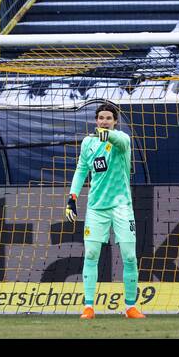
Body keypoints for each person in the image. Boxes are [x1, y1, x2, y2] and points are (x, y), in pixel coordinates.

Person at [64, 102, 144, 320]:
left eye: (109, 118)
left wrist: (107, 136)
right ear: (96, 120)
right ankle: (88, 307)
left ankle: (130, 307)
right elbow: (81, 170)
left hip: (121, 207)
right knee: (91, 255)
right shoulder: (88, 143)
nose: (105, 121)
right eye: (101, 118)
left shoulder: (122, 139)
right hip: (96, 208)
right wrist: (72, 198)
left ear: (115, 121)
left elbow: (118, 141)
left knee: (129, 257)